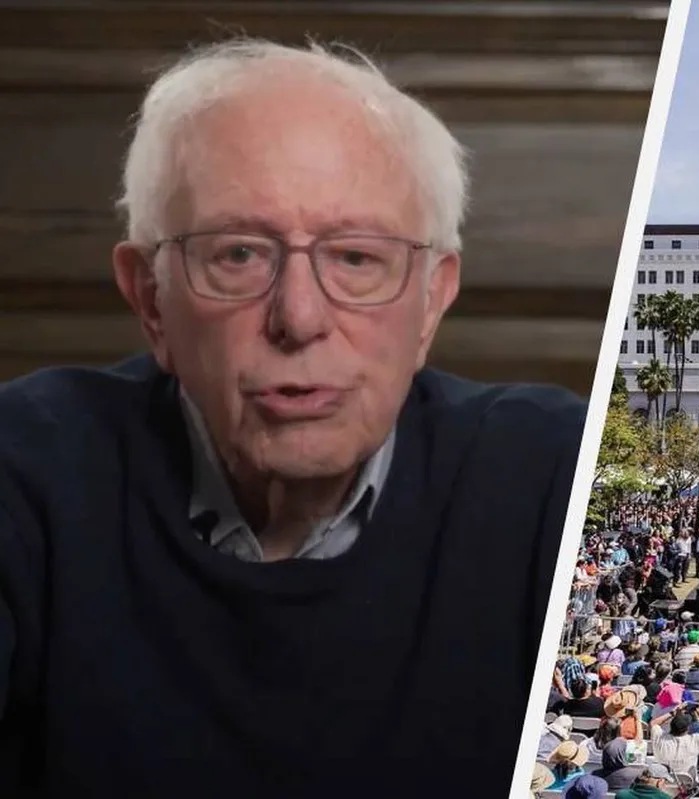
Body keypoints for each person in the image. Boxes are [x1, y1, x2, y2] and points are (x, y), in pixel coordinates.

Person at [0, 40, 586, 796]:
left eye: (356, 258)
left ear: (431, 302)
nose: (300, 317)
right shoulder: (24, 466)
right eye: (239, 253)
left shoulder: (551, 474)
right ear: (152, 299)